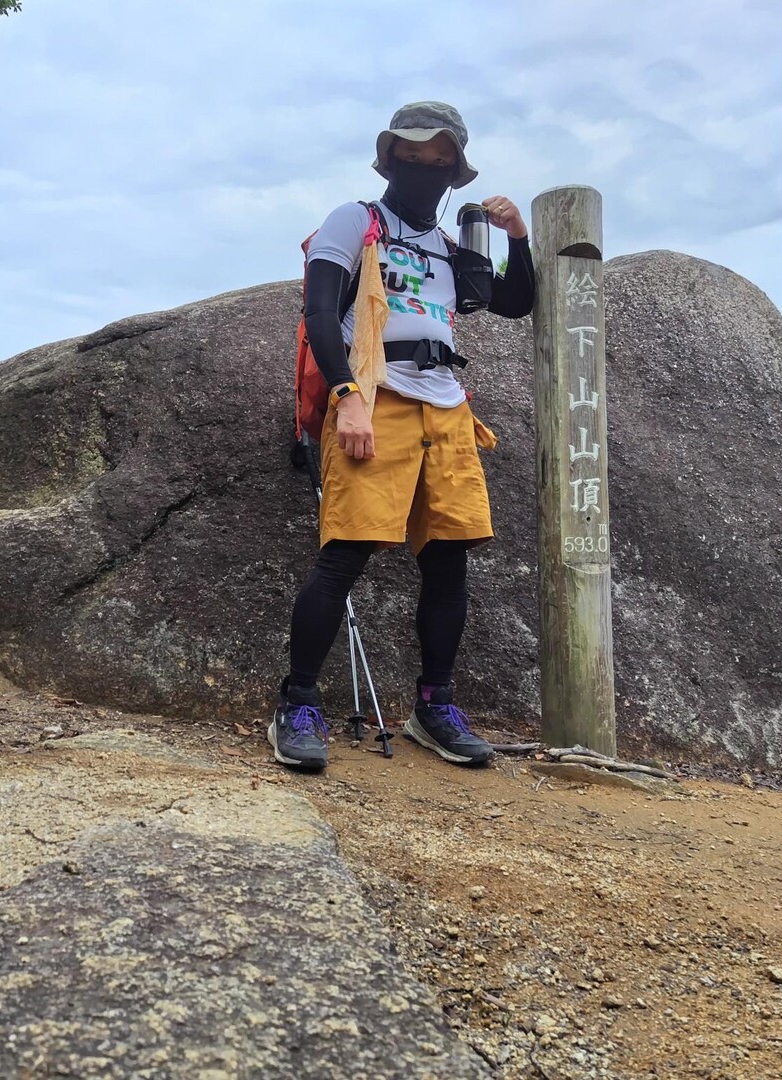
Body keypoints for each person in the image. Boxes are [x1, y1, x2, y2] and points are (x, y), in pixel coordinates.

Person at [268, 101, 537, 772]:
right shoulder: (355, 221)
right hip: (375, 396)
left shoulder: (449, 246)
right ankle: (297, 704)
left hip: (446, 409)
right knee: (344, 556)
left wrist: (517, 239)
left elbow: (513, 302)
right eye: (411, 157)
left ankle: (433, 706)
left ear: (454, 172)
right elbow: (320, 312)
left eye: (439, 161)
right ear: (389, 160)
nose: (423, 169)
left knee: (448, 563)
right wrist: (347, 397)